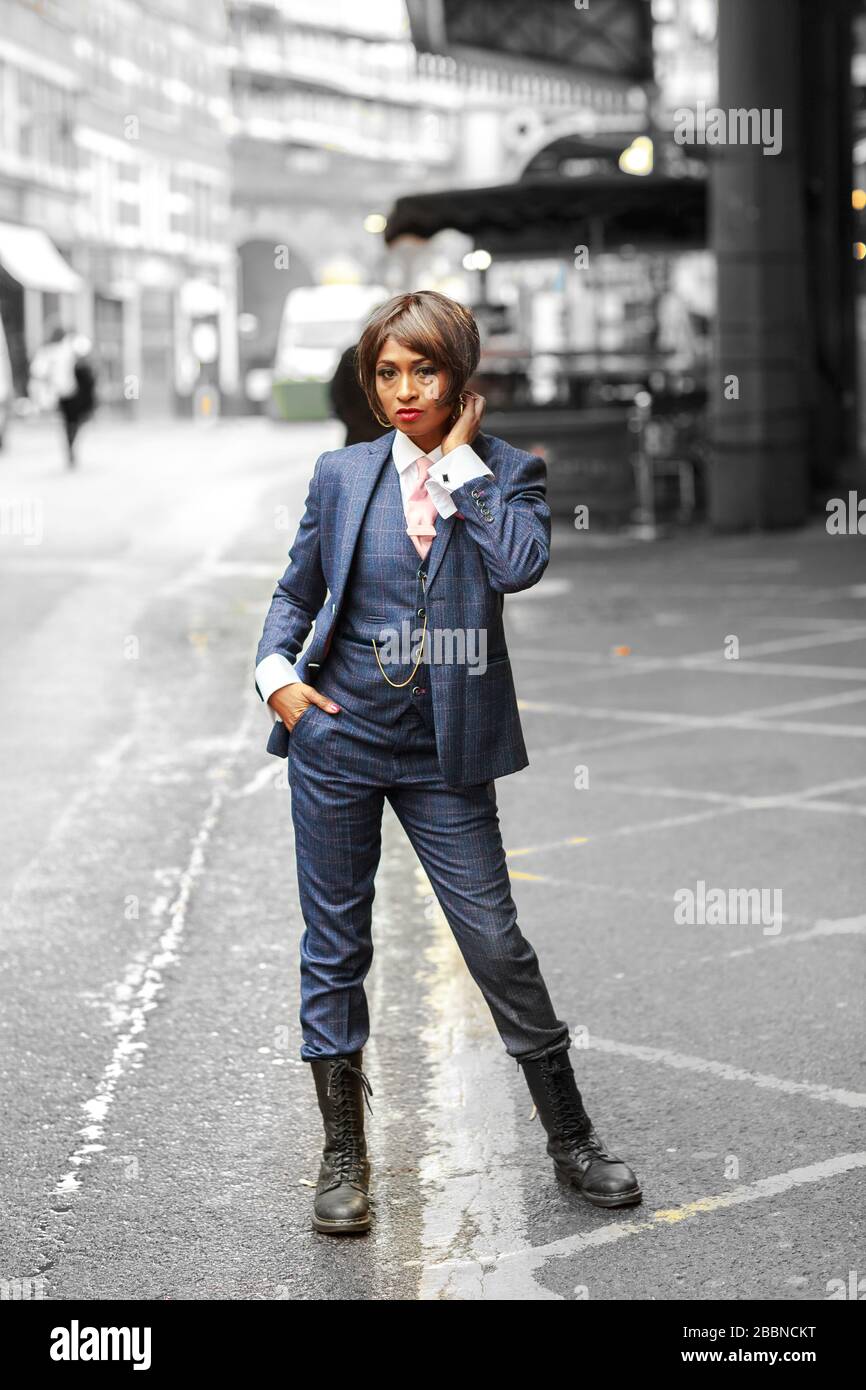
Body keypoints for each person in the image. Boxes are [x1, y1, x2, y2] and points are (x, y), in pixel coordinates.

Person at [254, 290, 642, 1235]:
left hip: (446, 749)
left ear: (461, 377)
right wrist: (278, 683)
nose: (404, 391)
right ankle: (344, 1152)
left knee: (496, 942)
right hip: (337, 740)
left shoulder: (509, 472)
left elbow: (520, 565)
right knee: (335, 948)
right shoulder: (341, 476)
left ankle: (572, 1138)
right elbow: (295, 592)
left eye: (424, 370)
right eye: (387, 373)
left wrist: (459, 463)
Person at [29, 327, 97, 468]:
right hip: (68, 392)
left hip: (68, 392)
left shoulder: (58, 350)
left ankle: (70, 444)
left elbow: (38, 371)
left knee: (71, 421)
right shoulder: (54, 351)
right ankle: (70, 445)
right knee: (72, 421)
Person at [328, 342, 389, 446]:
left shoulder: (394, 351)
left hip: (384, 431)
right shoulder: (353, 354)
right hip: (359, 433)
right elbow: (338, 394)